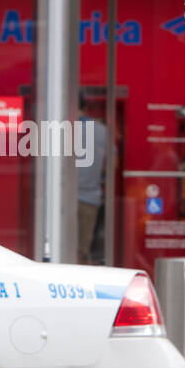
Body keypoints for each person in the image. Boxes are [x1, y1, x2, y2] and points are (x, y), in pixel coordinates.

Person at [75, 93, 107, 265]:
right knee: (83, 249)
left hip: (63, 201)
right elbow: (113, 163)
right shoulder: (101, 130)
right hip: (91, 198)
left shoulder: (58, 127)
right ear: (86, 107)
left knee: (63, 246)